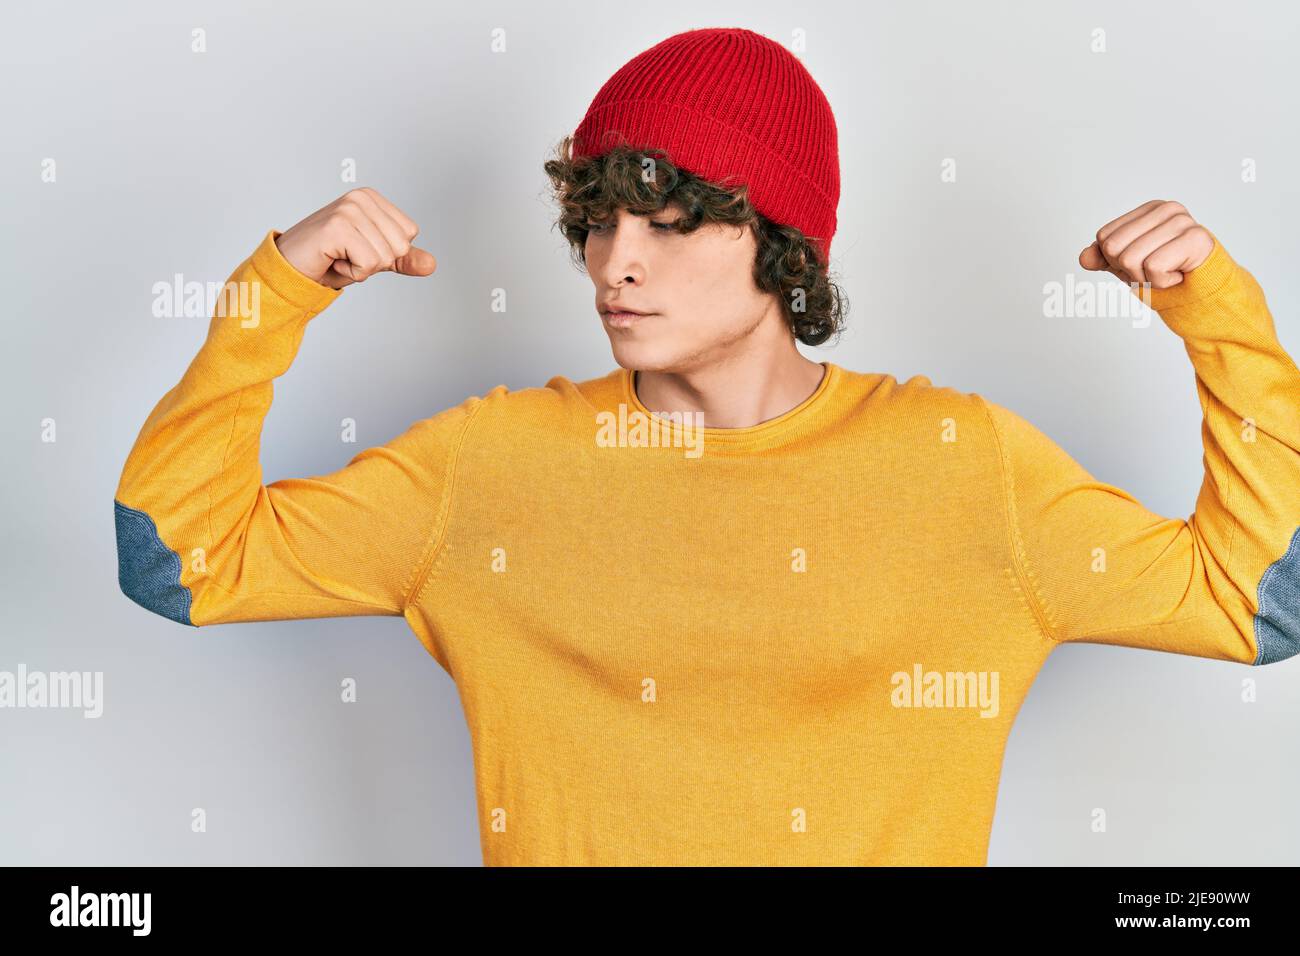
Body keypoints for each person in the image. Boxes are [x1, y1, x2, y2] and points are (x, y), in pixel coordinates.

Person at [113, 27, 1300, 866]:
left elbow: (1262, 605)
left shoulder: (963, 464)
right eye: (596, 219)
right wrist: (272, 293)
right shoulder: (488, 466)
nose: (616, 260)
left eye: (670, 218)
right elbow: (180, 560)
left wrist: (1215, 312)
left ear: (781, 243)